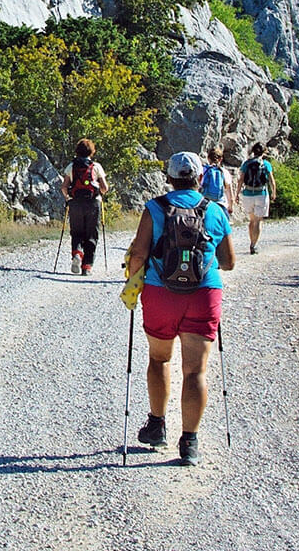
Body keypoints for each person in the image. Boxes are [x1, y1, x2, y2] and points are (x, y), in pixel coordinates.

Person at [121, 150, 235, 466]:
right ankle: (190, 443)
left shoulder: (155, 208)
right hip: (203, 294)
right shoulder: (214, 210)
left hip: (161, 294)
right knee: (195, 370)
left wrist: (133, 284)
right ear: (200, 178)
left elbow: (139, 255)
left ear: (169, 179)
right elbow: (228, 262)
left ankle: (157, 425)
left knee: (159, 359)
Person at [61, 138, 109, 274]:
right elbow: (105, 188)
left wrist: (68, 198)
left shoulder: (71, 166)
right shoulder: (96, 167)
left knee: (76, 232)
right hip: (93, 203)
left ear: (77, 151)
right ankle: (87, 266)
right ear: (91, 151)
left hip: (75, 203)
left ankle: (77, 253)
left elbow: (64, 187)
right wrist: (99, 190)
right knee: (91, 234)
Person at [235, 142, 274, 254]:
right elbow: (271, 180)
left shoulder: (247, 163)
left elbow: (241, 180)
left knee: (252, 220)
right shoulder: (266, 164)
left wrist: (237, 194)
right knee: (258, 220)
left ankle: (251, 241)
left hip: (248, 194)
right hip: (261, 193)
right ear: (264, 152)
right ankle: (253, 244)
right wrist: (273, 192)